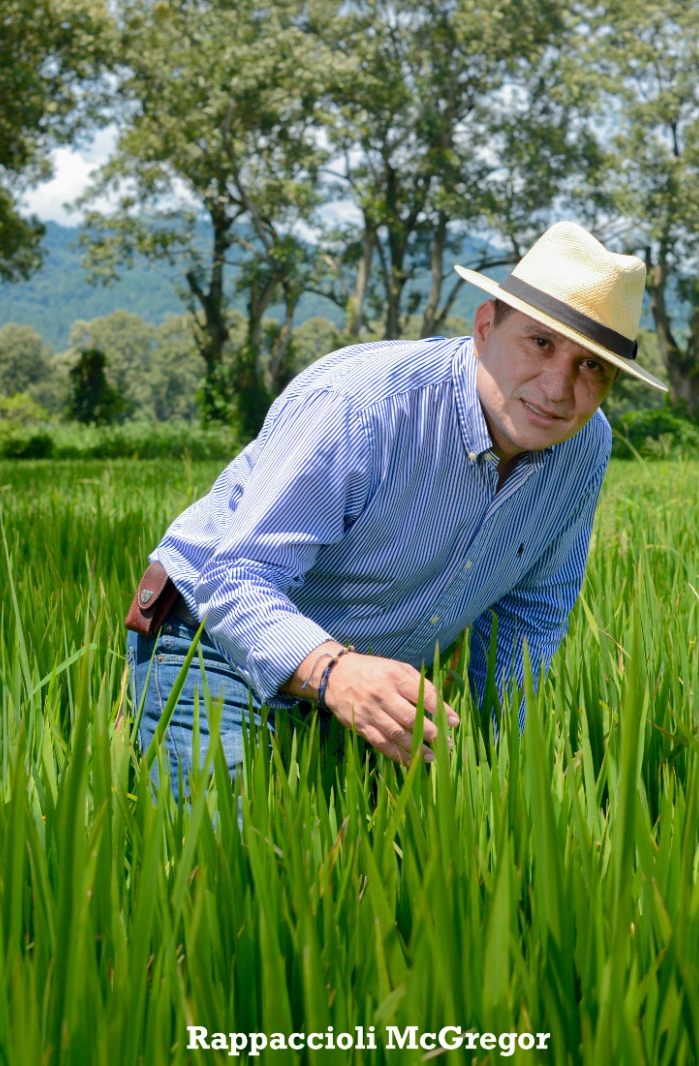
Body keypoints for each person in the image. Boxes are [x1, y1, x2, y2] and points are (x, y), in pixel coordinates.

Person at [124, 221, 666, 799]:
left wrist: (502, 772)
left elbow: (527, 617)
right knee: (237, 860)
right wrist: (336, 673)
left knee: (388, 868)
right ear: (486, 328)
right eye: (541, 343)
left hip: (375, 685)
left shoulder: (584, 445)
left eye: (593, 367)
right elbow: (234, 579)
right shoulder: (363, 405)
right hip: (212, 648)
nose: (559, 388)